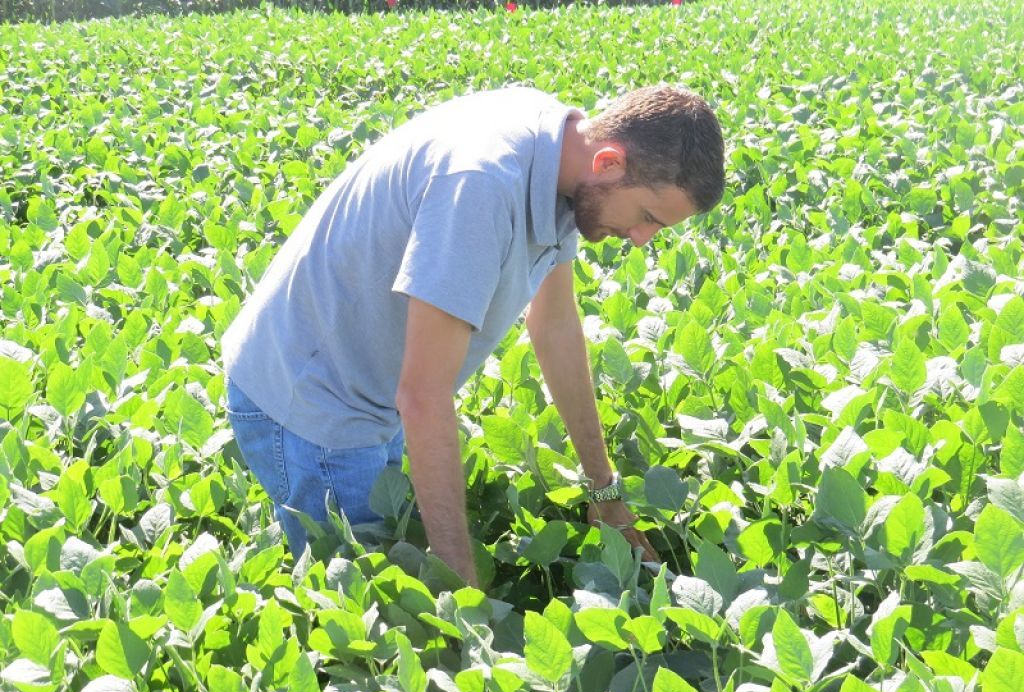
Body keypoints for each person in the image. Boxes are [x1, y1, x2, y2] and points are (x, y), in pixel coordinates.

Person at [222, 85, 725, 586]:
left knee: (392, 582)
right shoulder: (482, 184)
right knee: (370, 613)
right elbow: (424, 395)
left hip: (370, 387)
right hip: (315, 404)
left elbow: (555, 328)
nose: (641, 239)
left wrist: (603, 490)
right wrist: (461, 591)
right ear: (610, 163)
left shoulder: (569, 164)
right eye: (647, 218)